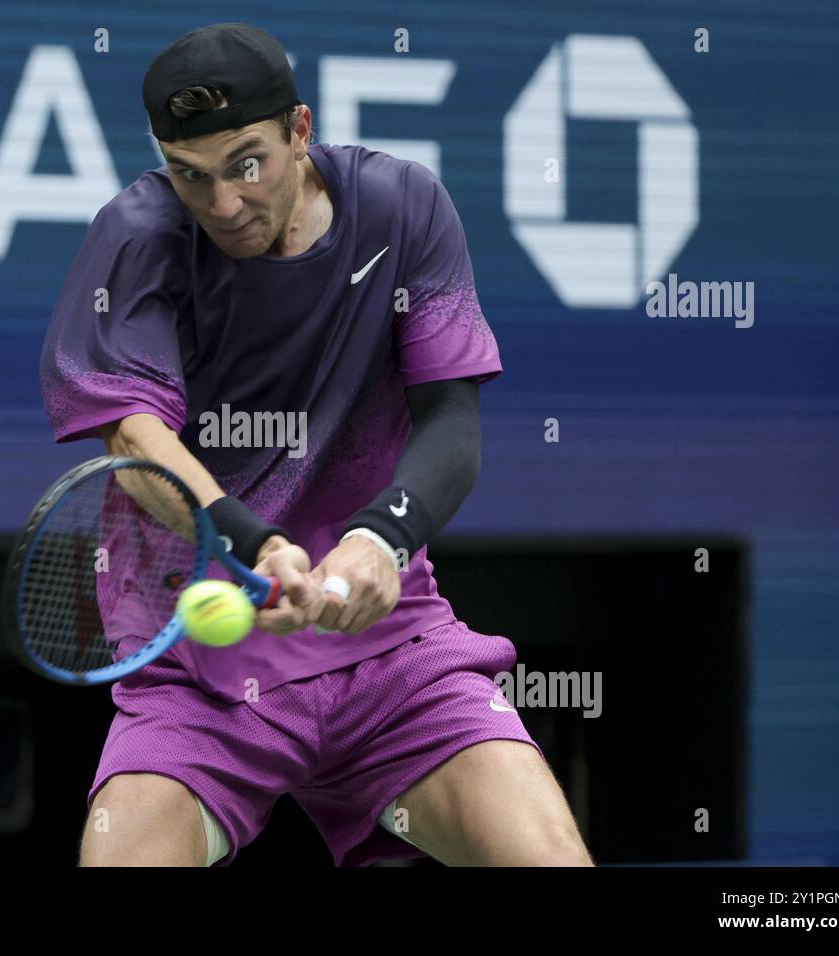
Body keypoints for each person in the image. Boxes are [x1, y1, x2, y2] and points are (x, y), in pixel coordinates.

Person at [41, 21, 592, 868]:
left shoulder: (404, 209)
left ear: (300, 131)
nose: (223, 203)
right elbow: (135, 436)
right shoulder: (139, 235)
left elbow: (452, 422)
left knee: (547, 858)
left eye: (246, 163)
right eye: (191, 175)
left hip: (392, 654)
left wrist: (382, 539)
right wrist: (251, 543)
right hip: (199, 660)